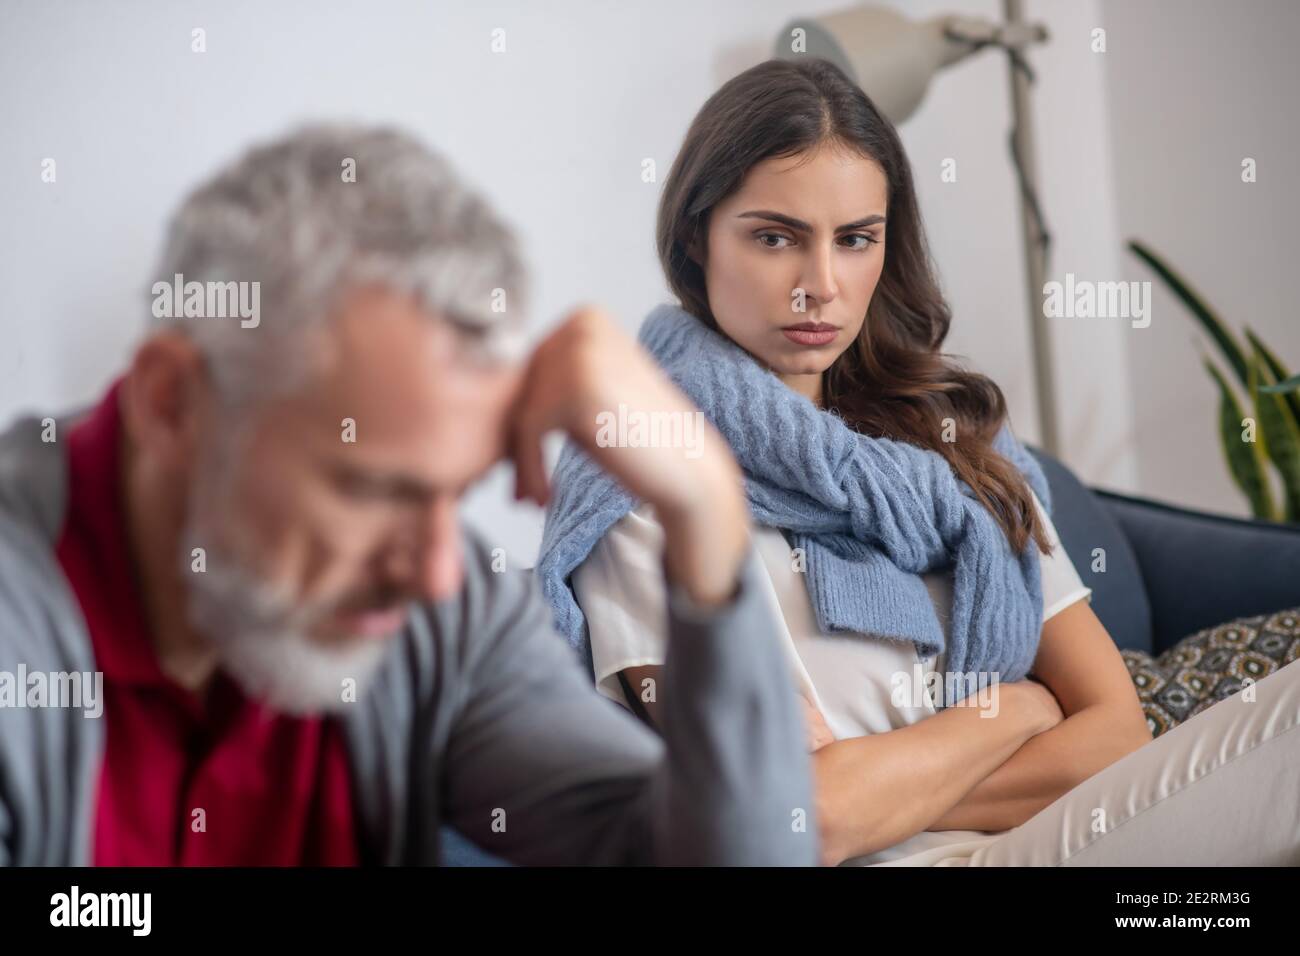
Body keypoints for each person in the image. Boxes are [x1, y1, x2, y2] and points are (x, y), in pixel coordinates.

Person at [536, 58, 1300, 867]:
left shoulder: (956, 446)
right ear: (697, 237)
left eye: (855, 239)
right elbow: (801, 820)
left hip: (1056, 837)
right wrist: (1015, 713)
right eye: (773, 237)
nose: (819, 287)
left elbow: (1115, 731)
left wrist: (892, 785)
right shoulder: (646, 482)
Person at [0, 124, 817, 866]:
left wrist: (707, 506)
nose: (432, 572)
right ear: (172, 403)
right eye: (372, 489)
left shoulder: (443, 612)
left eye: (457, 493)